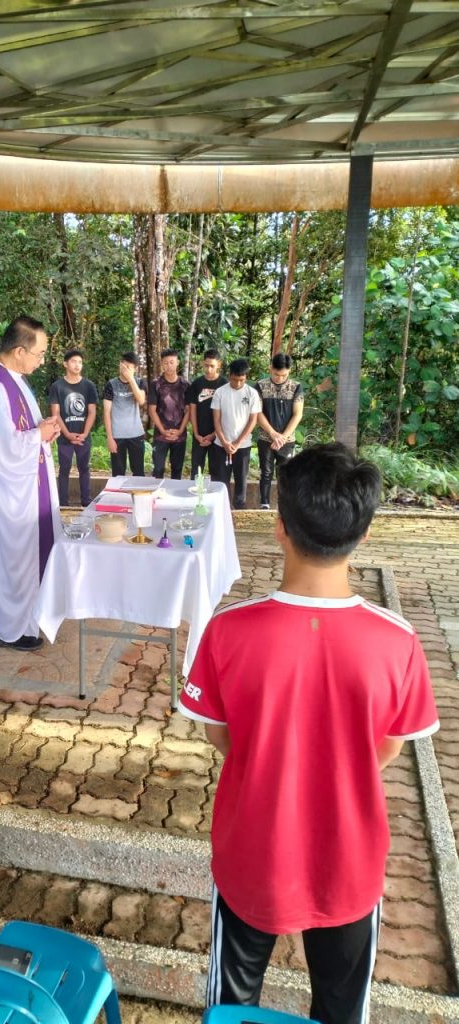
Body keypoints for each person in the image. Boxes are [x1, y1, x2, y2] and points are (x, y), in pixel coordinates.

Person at [180, 443, 439, 1024]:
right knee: (343, 1010)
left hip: (252, 853)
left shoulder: (228, 631)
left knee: (230, 1006)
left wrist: (270, 758)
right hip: (350, 860)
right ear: (364, 535)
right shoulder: (398, 642)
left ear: (279, 529)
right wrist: (337, 767)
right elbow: (390, 747)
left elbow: (220, 736)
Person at [0, 315, 61, 652]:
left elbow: (23, 431)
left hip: (28, 485)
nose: (41, 361)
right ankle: (12, 629)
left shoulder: (17, 381)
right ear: (20, 351)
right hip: (11, 495)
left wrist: (44, 428)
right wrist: (37, 435)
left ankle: (31, 617)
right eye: (39, 354)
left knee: (30, 559)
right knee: (17, 561)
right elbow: (2, 448)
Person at [209, 357, 262, 509]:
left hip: (243, 445)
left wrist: (238, 442)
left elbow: (253, 421)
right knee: (221, 480)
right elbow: (216, 420)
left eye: (241, 380)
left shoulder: (252, 394)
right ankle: (221, 509)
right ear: (229, 376)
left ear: (245, 377)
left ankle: (239, 510)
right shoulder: (220, 392)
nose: (238, 383)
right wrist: (225, 441)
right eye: (234, 379)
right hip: (221, 445)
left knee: (241, 479)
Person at [48, 348, 98, 506]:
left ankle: (86, 503)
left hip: (84, 437)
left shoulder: (89, 385)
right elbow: (56, 413)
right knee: (64, 470)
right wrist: (68, 434)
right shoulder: (57, 386)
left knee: (84, 468)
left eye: (80, 362)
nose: (77, 365)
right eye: (73, 362)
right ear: (65, 364)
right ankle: (63, 504)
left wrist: (85, 433)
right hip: (64, 437)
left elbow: (91, 411)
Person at [254, 352, 304, 510]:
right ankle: (264, 504)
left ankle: (284, 507)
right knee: (266, 472)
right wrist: (273, 434)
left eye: (284, 375)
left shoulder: (296, 387)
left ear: (289, 371)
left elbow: (298, 414)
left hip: (287, 440)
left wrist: (282, 436)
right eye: (277, 374)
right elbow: (257, 412)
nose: (280, 378)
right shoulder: (260, 386)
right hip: (265, 437)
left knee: (285, 474)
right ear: (270, 369)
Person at [103, 351, 147, 477]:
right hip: (117, 436)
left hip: (136, 434)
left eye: (129, 367)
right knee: (118, 474)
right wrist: (110, 438)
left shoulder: (139, 383)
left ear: (135, 369)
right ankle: (118, 497)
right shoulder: (111, 385)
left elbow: (141, 400)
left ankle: (138, 497)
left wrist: (131, 379)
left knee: (138, 472)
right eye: (123, 365)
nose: (125, 369)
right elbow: (106, 412)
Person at [147, 348, 189, 479]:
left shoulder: (185, 385)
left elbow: (189, 410)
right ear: (161, 364)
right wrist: (163, 430)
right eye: (166, 363)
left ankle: (175, 498)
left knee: (177, 469)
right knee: (158, 469)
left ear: (178, 363)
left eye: (172, 362)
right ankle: (156, 497)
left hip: (179, 436)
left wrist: (180, 430)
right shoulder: (156, 384)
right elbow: (151, 410)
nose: (169, 366)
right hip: (160, 435)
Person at [185, 348, 227, 478]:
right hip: (199, 436)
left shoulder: (224, 384)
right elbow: (192, 409)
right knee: (196, 472)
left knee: (217, 472)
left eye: (212, 366)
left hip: (218, 437)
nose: (209, 369)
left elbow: (226, 413)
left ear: (218, 365)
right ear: (203, 363)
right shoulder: (197, 383)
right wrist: (196, 434)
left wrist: (214, 435)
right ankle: (194, 497)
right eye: (206, 366)